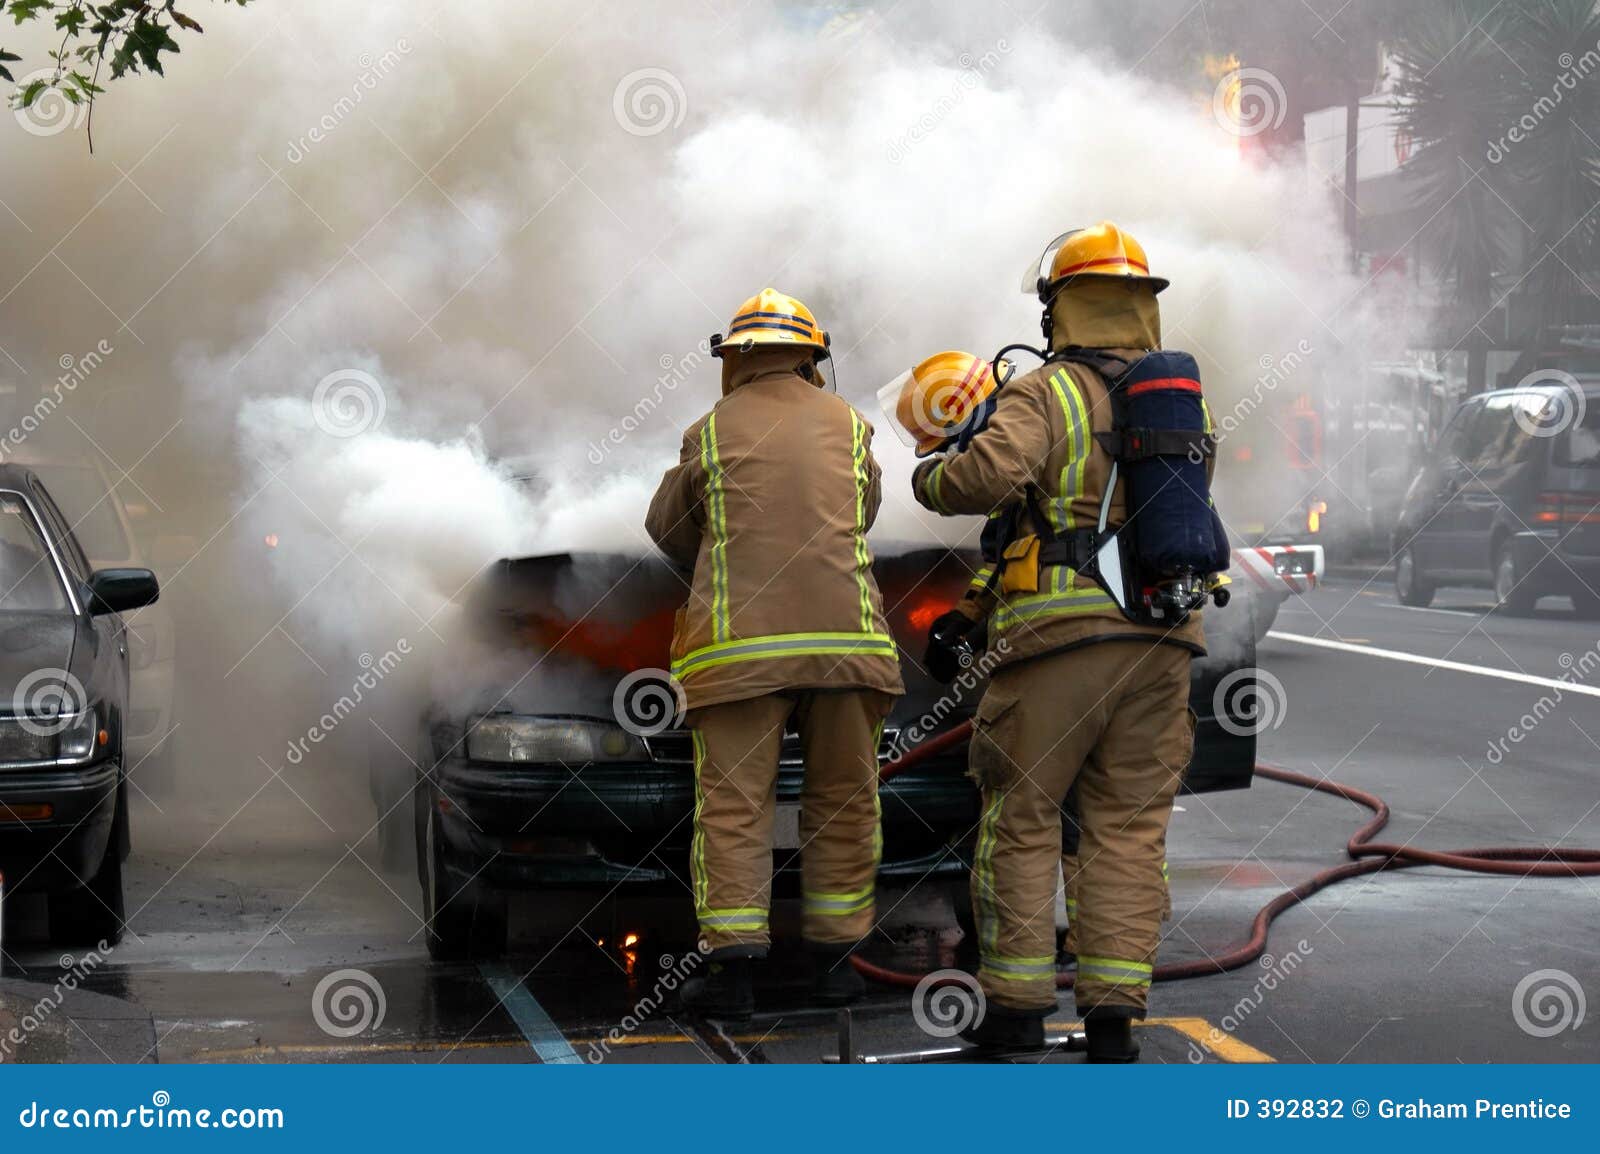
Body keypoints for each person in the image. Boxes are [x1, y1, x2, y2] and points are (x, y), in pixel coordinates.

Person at [908, 222, 1213, 1062]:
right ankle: (1114, 1025)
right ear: (1140, 305)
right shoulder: (1180, 399)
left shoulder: (1046, 393)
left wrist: (931, 465)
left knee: (1023, 818)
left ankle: (1014, 1014)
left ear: (1060, 308)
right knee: (1126, 826)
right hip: (1165, 641)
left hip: (1059, 645)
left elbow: (982, 482)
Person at [645, 288, 905, 1021]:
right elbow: (866, 511)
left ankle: (732, 976)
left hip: (740, 658)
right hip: (848, 649)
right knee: (845, 802)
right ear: (813, 358)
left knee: (733, 807)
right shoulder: (852, 426)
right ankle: (837, 968)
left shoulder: (711, 429)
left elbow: (667, 528)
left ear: (734, 361)